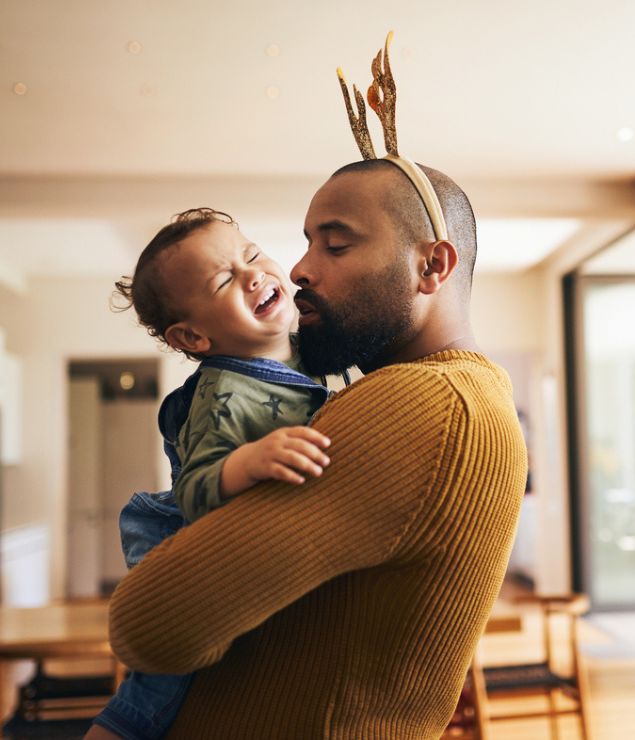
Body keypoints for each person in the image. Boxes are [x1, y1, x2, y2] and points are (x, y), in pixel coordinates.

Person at [107, 159, 528, 738]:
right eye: (306, 245)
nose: (300, 269)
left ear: (432, 266)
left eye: (335, 246)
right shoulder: (459, 394)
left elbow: (149, 625)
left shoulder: (418, 403)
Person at [89, 209, 333, 740]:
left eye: (250, 255)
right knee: (163, 681)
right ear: (194, 337)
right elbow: (196, 492)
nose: (252, 274)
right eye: (224, 280)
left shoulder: (306, 353)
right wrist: (247, 461)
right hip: (185, 536)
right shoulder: (225, 394)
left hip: (264, 548)